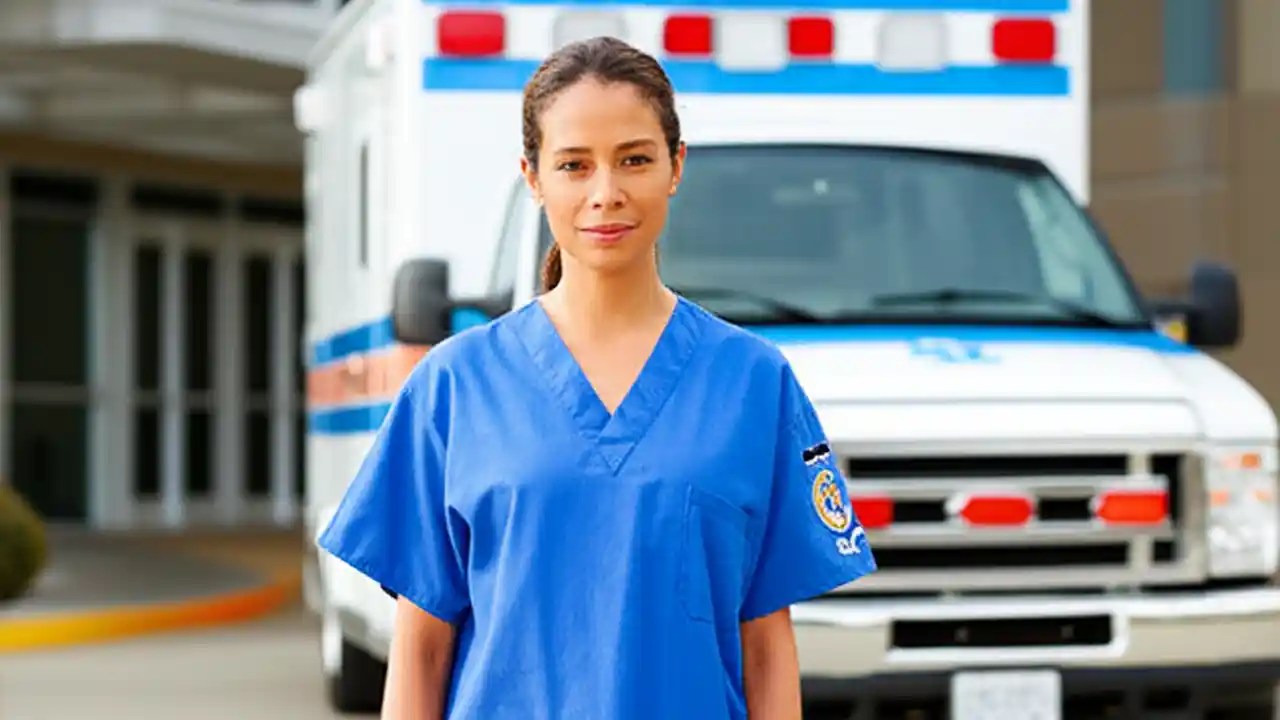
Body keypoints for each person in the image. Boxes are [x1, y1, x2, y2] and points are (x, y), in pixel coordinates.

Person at [317, 35, 877, 720]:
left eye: (634, 160)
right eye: (574, 166)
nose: (605, 194)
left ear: (676, 166)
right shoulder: (455, 387)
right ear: (534, 177)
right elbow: (421, 651)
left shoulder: (753, 383)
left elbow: (765, 648)